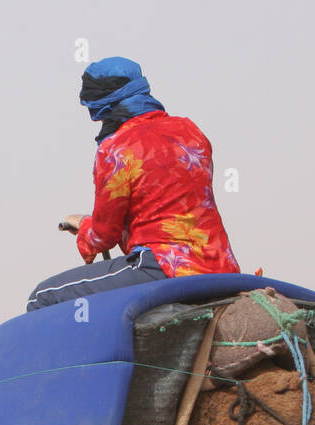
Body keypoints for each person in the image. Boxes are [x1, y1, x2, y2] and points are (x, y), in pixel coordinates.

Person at [27, 56, 240, 311]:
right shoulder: (191, 131)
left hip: (161, 266)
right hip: (222, 266)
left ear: (102, 106)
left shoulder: (115, 149)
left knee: (42, 297)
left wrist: (84, 227)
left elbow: (104, 236)